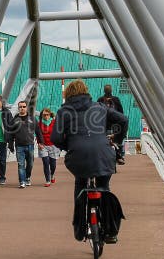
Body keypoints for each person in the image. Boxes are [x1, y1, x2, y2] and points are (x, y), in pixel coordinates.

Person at [52, 79, 128, 241]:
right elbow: (123, 120)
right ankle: (109, 231)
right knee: (103, 186)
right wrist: (117, 141)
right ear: (86, 91)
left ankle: (79, 228)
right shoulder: (100, 107)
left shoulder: (64, 112)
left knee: (80, 184)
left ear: (68, 94)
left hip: (78, 156)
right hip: (104, 154)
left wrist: (70, 146)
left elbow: (55, 137)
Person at [11, 100, 43, 188]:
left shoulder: (32, 119)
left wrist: (40, 142)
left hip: (30, 145)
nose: (22, 108)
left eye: (24, 107)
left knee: (30, 164)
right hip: (19, 146)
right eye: (20, 107)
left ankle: (27, 177)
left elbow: (38, 131)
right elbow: (11, 133)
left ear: (27, 108)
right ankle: (22, 181)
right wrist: (10, 144)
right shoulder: (15, 119)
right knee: (21, 164)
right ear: (18, 108)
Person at [97, 84, 127, 165]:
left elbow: (96, 113)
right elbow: (121, 112)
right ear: (111, 91)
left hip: (103, 125)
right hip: (115, 125)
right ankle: (120, 156)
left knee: (100, 140)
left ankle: (100, 156)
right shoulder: (116, 99)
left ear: (104, 91)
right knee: (118, 139)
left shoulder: (100, 100)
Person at [36, 107, 60, 187]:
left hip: (53, 145)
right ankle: (47, 180)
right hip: (43, 146)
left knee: (53, 164)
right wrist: (39, 143)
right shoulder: (39, 123)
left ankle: (52, 174)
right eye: (44, 115)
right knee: (46, 162)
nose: (46, 116)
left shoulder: (54, 122)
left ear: (50, 115)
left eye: (47, 115)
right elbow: (38, 134)